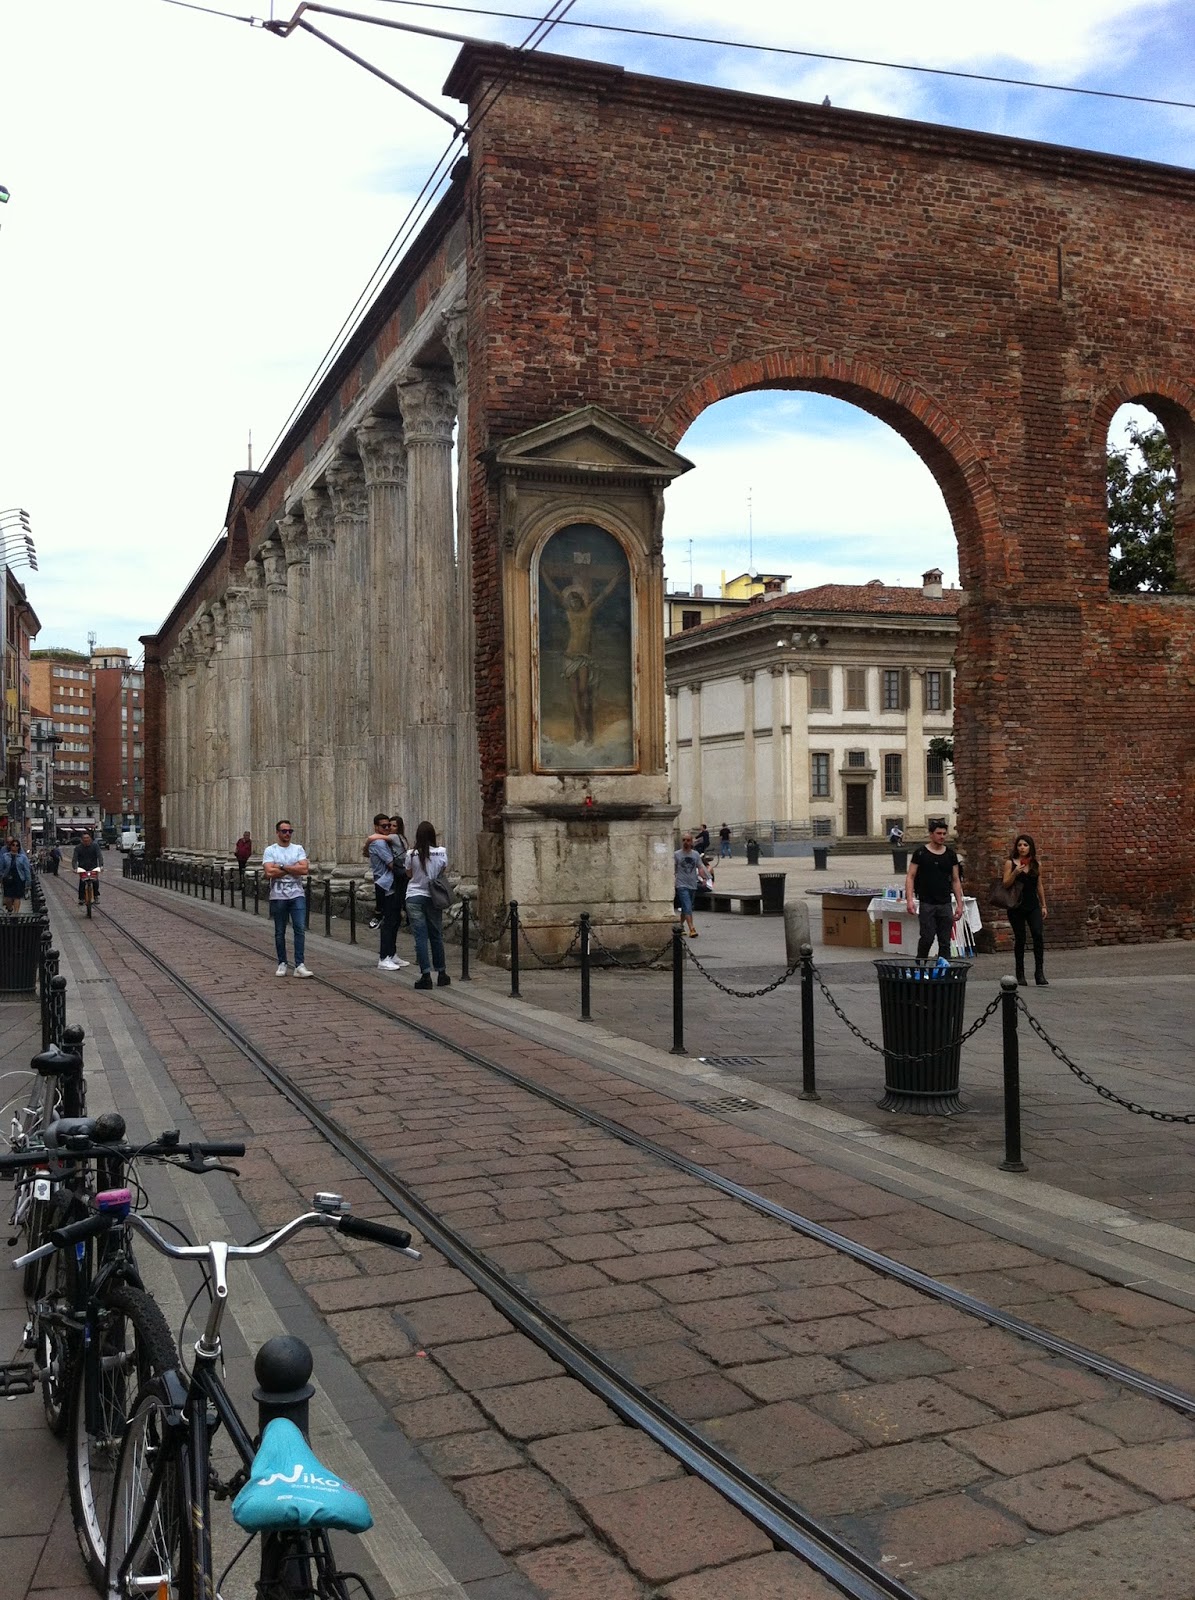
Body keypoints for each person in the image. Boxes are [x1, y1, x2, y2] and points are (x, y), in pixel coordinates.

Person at [903, 819, 964, 961]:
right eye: (938, 833)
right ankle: (921, 963)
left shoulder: (950, 854)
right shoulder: (921, 853)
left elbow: (955, 880)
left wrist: (960, 904)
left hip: (945, 902)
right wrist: (909, 899)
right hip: (927, 901)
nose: (942, 836)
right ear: (931, 834)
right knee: (927, 936)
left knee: (945, 940)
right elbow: (910, 876)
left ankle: (944, 967)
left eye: (944, 833)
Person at [262, 819, 312, 977]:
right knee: (279, 931)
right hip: (278, 896)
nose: (287, 834)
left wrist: (282, 866)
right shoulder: (270, 850)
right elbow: (269, 872)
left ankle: (299, 965)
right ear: (277, 833)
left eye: (290, 831)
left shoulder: (298, 849)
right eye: (284, 831)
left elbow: (304, 870)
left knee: (299, 928)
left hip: (297, 894)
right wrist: (293, 868)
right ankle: (282, 962)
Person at [404, 821, 451, 990]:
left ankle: (425, 975)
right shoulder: (441, 852)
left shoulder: (411, 854)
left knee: (420, 938)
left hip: (414, 896)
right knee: (436, 935)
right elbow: (442, 871)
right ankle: (442, 972)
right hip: (433, 897)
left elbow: (409, 874)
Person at [1003, 833, 1048, 986]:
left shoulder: (1035, 864)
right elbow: (1005, 884)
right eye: (1020, 845)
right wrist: (1015, 873)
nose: (1022, 848)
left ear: (1030, 847)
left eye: (1025, 845)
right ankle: (1020, 973)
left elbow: (1039, 885)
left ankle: (1039, 972)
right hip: (1016, 906)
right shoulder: (1010, 863)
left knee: (1037, 934)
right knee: (1020, 938)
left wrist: (1043, 905)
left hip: (1032, 905)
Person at [367, 814, 410, 973]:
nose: (387, 828)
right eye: (383, 826)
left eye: (388, 825)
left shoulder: (383, 841)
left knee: (395, 919)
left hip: (391, 884)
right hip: (386, 886)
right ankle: (384, 958)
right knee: (389, 921)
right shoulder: (379, 843)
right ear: (376, 827)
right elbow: (392, 864)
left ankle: (391, 954)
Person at [674, 831, 712, 940]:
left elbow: (700, 867)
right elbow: (673, 868)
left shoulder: (695, 854)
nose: (685, 842)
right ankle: (692, 928)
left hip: (692, 883)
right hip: (681, 884)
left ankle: (680, 926)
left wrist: (703, 878)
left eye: (688, 840)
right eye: (683, 840)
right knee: (687, 906)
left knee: (687, 906)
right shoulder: (677, 854)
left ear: (691, 842)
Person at [0, 837, 31, 914]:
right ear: (10, 846)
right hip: (7, 878)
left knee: (17, 897)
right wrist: (2, 876)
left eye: (17, 845)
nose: (15, 846)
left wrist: (28, 881)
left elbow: (26, 869)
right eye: (13, 845)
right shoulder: (5, 856)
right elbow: (1, 867)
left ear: (19, 847)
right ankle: (10, 909)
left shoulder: (23, 857)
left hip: (19, 878)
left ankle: (15, 914)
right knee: (8, 897)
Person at [73, 832, 102, 905]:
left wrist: (101, 866)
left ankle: (96, 896)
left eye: (87, 838)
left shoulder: (95, 846)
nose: (86, 840)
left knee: (95, 881)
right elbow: (74, 859)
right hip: (82, 868)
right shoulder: (78, 848)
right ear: (82, 840)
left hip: (93, 867)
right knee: (82, 882)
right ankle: (81, 898)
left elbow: (99, 856)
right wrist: (75, 868)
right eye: (84, 838)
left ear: (90, 839)